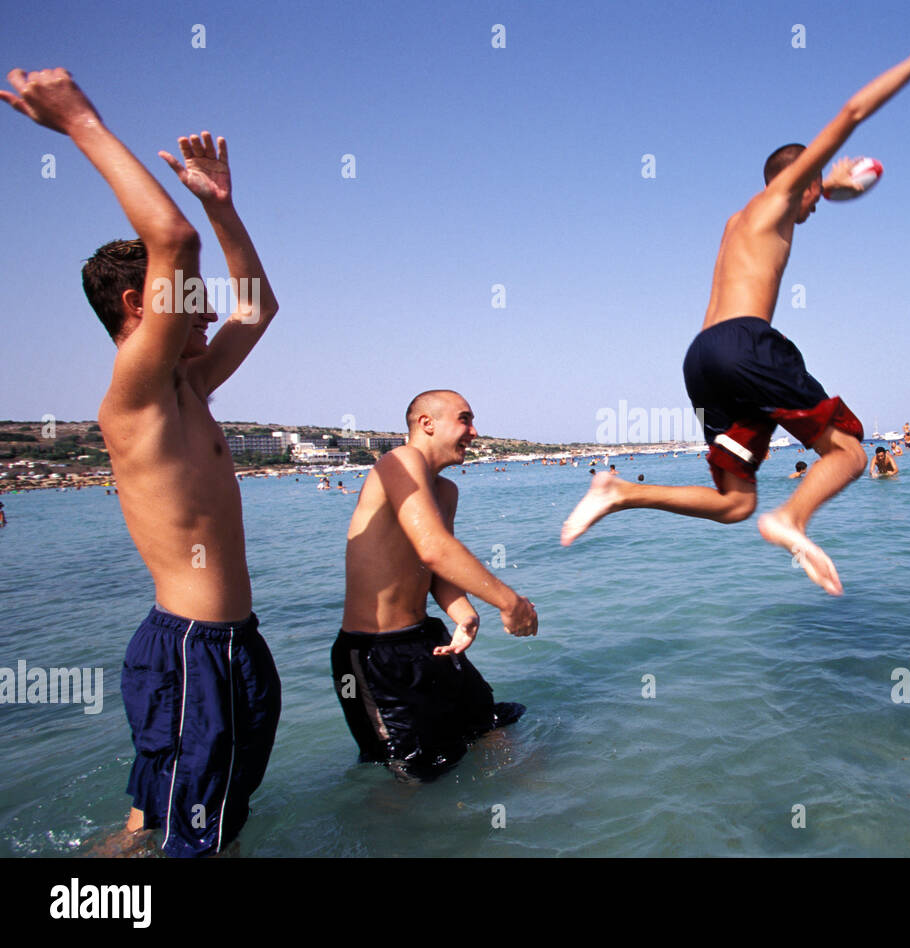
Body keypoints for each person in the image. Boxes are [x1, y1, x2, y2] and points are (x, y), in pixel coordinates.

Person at [561, 26, 910, 595]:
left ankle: (620, 492)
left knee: (736, 503)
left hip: (702, 359)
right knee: (850, 452)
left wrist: (828, 188)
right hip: (745, 344)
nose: (818, 206)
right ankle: (792, 520)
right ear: (801, 179)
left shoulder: (746, 218)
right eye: (815, 189)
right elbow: (853, 111)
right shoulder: (781, 198)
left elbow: (804, 196)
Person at [2, 69, 279, 856]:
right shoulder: (136, 397)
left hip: (221, 644)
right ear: (141, 307)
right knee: (200, 840)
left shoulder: (189, 387)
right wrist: (79, 120)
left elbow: (259, 306)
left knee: (157, 828)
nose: (211, 306)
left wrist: (221, 206)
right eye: (191, 295)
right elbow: (173, 242)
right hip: (195, 647)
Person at [333, 390, 538, 782]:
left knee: (485, 726)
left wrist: (464, 613)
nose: (474, 432)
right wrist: (509, 602)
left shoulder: (446, 491)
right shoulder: (400, 460)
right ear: (427, 423)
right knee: (411, 771)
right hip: (375, 655)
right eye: (465, 419)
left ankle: (517, 812)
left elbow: (436, 570)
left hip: (427, 638)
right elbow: (434, 549)